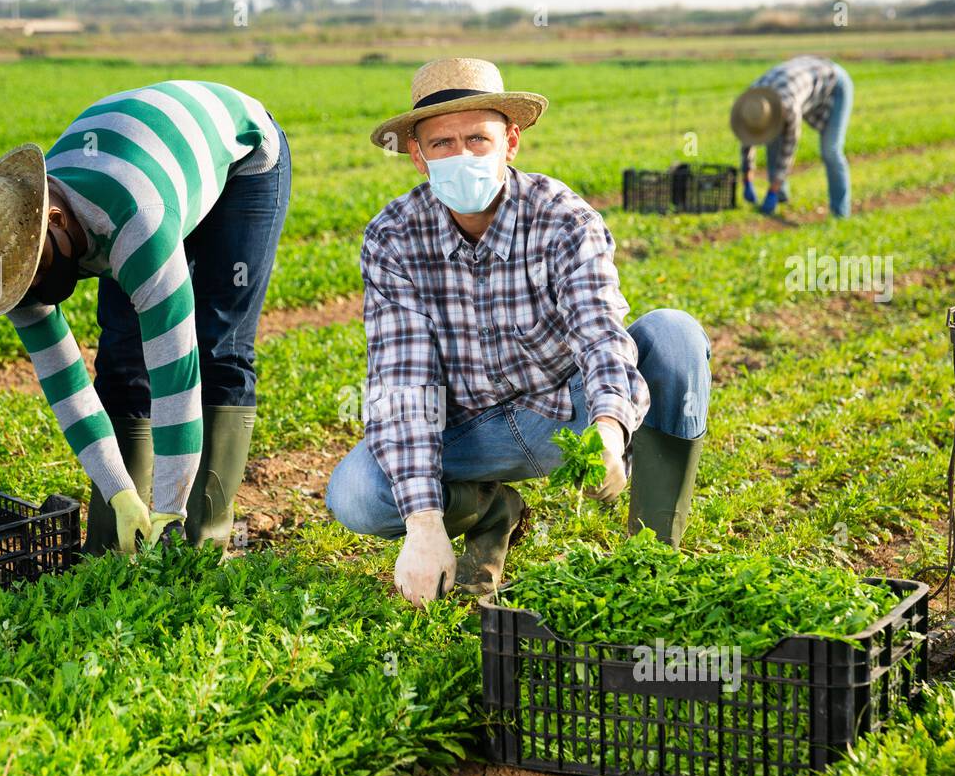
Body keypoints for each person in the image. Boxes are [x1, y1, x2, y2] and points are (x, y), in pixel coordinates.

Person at [324, 58, 712, 607]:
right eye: (442, 144)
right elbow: (404, 381)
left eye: (477, 139)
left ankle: (652, 557)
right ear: (418, 156)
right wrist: (426, 523)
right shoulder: (394, 237)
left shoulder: (561, 218)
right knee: (358, 494)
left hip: (567, 417)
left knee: (673, 335)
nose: (461, 156)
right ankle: (490, 510)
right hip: (472, 432)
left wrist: (606, 428)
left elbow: (600, 332)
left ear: (509, 142)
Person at [0, 80, 291, 556]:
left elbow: (176, 369)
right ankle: (115, 539)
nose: (33, 293)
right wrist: (120, 492)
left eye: (36, 271)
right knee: (123, 361)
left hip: (243, 159)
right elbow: (65, 384)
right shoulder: (14, 252)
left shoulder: (135, 222)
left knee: (217, 347)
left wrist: (170, 507)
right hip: (137, 163)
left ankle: (196, 542)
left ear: (57, 218)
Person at [732, 55, 853, 217]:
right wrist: (747, 177)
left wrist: (772, 189)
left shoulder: (789, 107)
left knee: (830, 150)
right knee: (772, 136)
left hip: (834, 83)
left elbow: (789, 147)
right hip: (803, 77)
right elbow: (748, 137)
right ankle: (781, 197)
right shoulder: (751, 103)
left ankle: (841, 213)